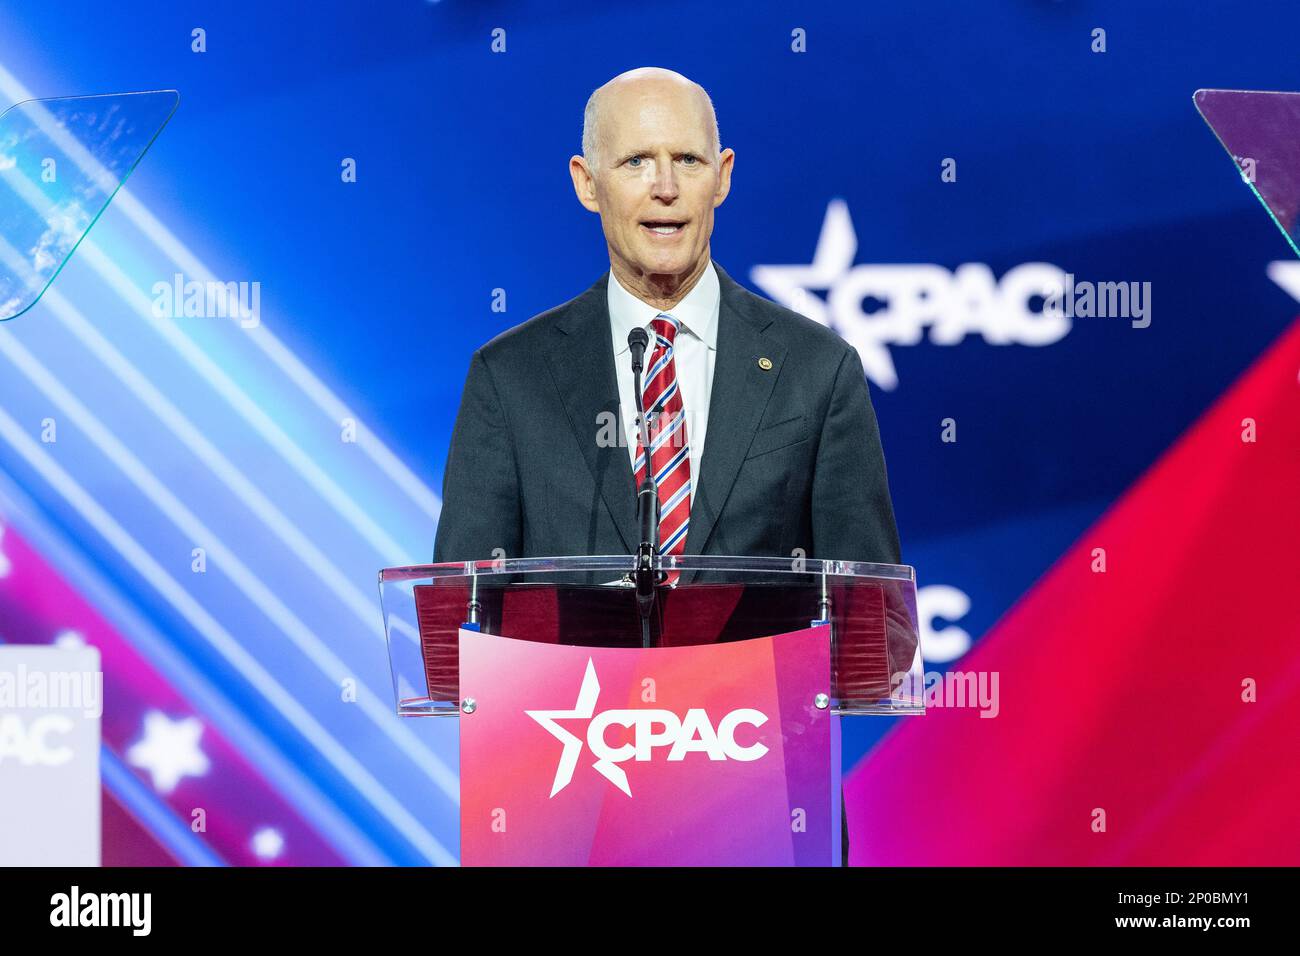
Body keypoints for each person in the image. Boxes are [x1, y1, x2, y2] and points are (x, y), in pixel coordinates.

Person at [433, 67, 901, 866]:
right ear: (587, 183)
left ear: (722, 177)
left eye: (687, 161)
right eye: (636, 162)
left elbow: (876, 620)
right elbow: (451, 621)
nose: (664, 188)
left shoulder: (814, 370)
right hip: (567, 810)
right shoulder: (509, 379)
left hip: (764, 803)